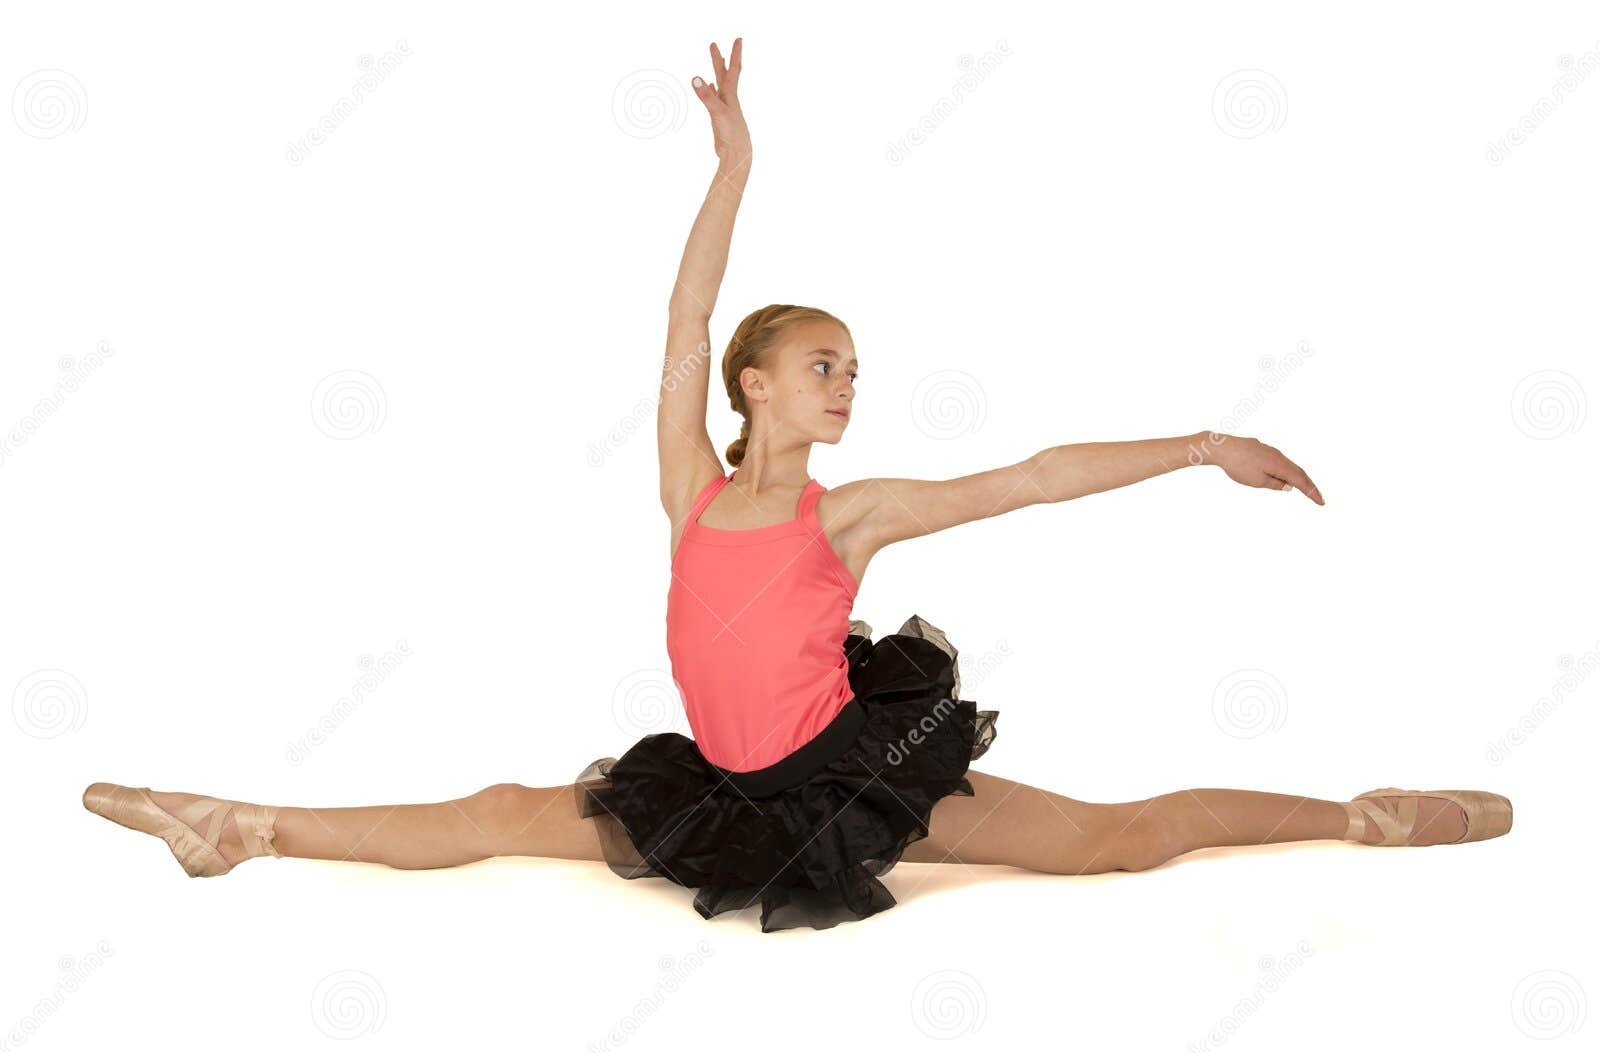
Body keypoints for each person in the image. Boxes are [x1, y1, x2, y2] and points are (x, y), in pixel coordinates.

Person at [83, 37, 1510, 933]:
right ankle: (244, 823)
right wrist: (735, 166)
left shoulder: (849, 514)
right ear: (757, 385)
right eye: (823, 363)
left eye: (853, 367)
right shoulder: (689, 488)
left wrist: (1200, 445)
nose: (847, 382)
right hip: (715, 785)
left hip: (849, 777)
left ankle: (1366, 811)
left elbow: (1026, 476)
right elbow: (683, 321)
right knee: (499, 806)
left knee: (1121, 842)